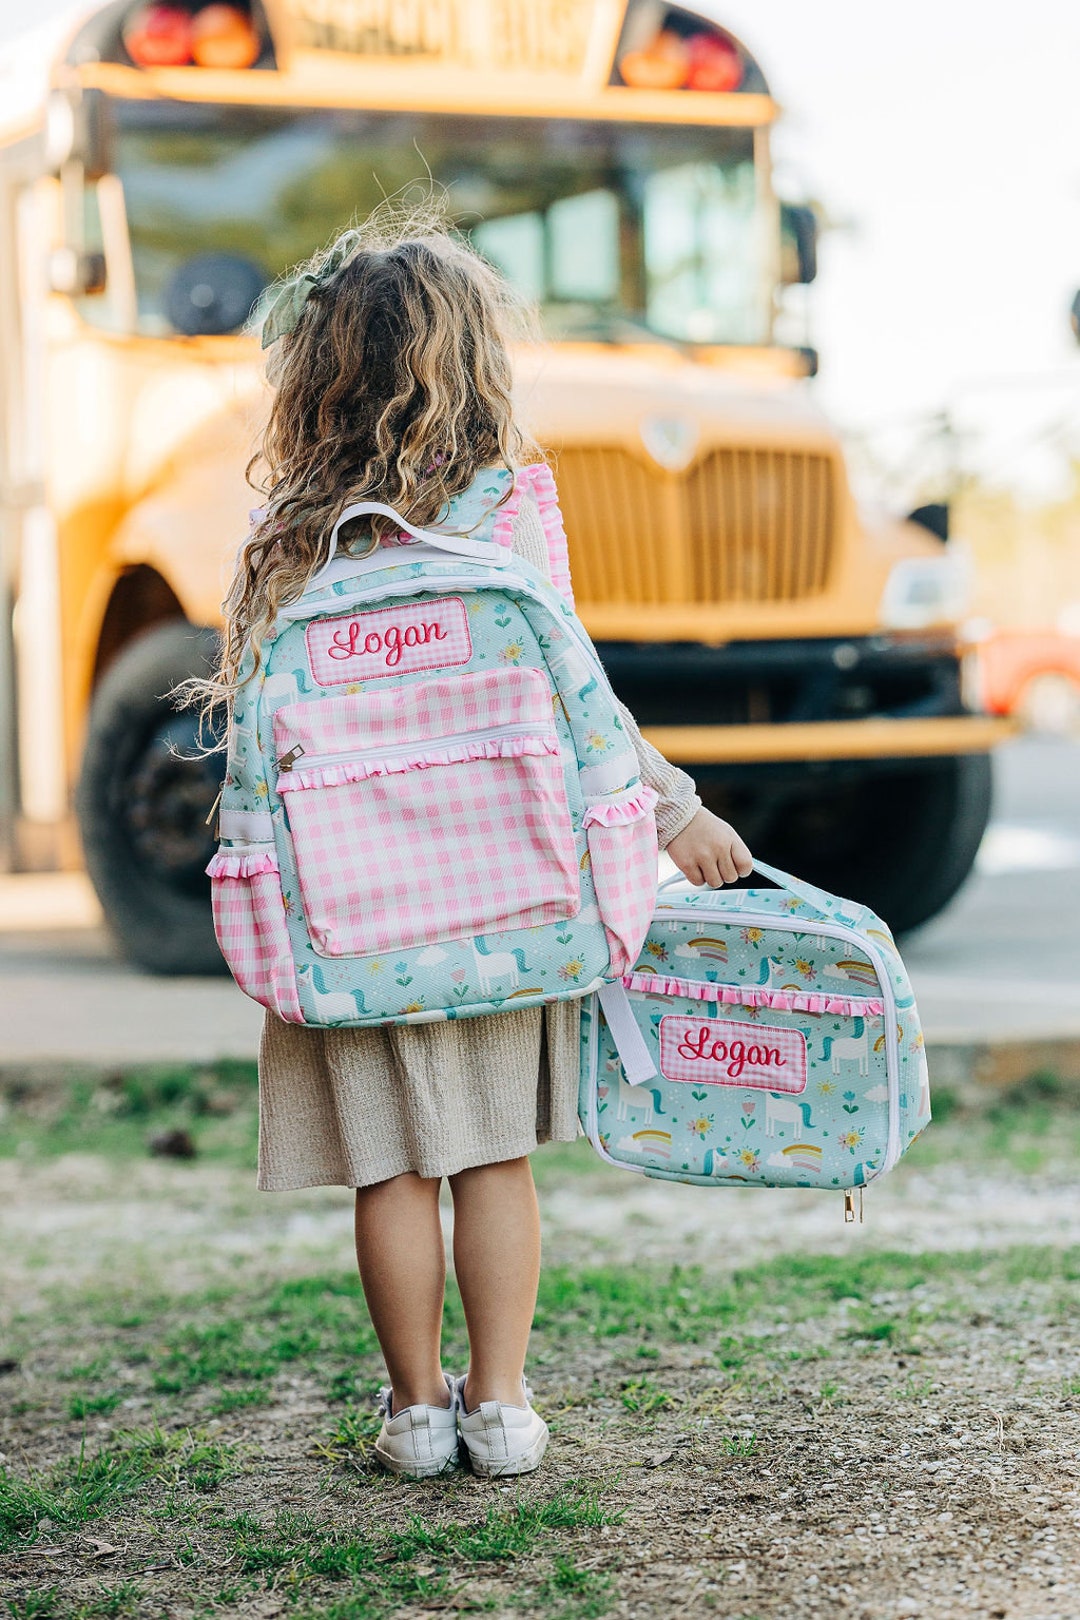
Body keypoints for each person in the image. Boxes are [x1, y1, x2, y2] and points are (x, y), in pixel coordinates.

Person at [203, 209, 753, 1480]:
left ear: (314, 378)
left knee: (391, 1173)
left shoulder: (289, 536)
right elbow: (584, 701)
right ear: (474, 364)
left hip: (351, 916)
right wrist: (678, 814)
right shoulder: (511, 514)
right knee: (494, 1159)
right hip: (512, 897)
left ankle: (412, 1412)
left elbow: (258, 735)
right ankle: (499, 1408)